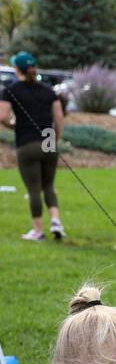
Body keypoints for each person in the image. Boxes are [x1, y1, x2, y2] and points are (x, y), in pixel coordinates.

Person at [0, 51, 65, 241]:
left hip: (27, 142)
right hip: (48, 141)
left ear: (17, 69)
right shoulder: (48, 91)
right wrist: (55, 140)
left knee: (34, 188)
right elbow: (59, 118)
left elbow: (2, 116)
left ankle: (38, 231)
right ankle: (56, 221)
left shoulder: (11, 90)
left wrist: (14, 125)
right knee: (49, 185)